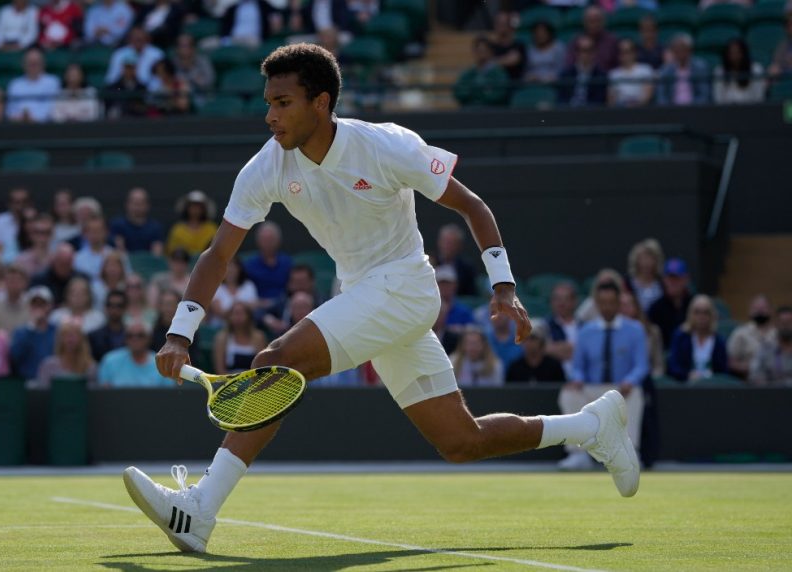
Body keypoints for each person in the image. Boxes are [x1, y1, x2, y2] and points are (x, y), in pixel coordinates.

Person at [126, 44, 640, 554]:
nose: (270, 116)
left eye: (283, 103)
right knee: (462, 441)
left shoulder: (386, 146)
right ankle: (591, 425)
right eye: (268, 102)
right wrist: (178, 332)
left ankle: (198, 509)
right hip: (366, 297)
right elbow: (218, 254)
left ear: (321, 103)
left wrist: (504, 286)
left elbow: (473, 206)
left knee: (275, 362)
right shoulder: (267, 166)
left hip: (406, 288)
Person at [560, 282, 647, 470]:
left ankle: (630, 454)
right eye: (603, 302)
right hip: (591, 390)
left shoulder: (635, 330)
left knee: (637, 393)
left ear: (618, 303)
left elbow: (641, 366)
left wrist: (630, 381)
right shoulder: (585, 332)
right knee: (569, 394)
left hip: (621, 390)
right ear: (597, 304)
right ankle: (578, 455)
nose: (607, 307)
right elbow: (577, 367)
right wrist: (577, 378)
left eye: (611, 302)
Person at [666, 295, 729, 382]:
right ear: (690, 314)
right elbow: (673, 367)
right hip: (686, 386)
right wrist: (687, 375)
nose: (701, 317)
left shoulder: (719, 341)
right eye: (697, 312)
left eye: (705, 313)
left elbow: (723, 371)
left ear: (712, 315)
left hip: (712, 387)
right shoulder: (681, 337)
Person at [98, 320, 167, 386]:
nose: (135, 339)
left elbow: (168, 394)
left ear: (149, 338)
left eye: (140, 335)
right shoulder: (109, 361)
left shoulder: (161, 363)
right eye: (130, 335)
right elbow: (104, 394)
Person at [9, 286, 57, 380]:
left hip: (51, 383)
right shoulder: (20, 332)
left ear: (50, 306)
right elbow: (15, 357)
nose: (38, 308)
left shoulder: (56, 331)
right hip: (26, 383)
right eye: (35, 304)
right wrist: (32, 327)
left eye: (42, 304)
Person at [36, 318, 98, 387]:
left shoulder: (90, 367)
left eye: (74, 335)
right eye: (66, 335)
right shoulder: (48, 365)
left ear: (81, 339)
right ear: (60, 340)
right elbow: (42, 393)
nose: (70, 340)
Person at [243, 221, 292, 307]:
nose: (268, 243)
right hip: (257, 307)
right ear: (258, 241)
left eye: (271, 239)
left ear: (278, 240)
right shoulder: (249, 265)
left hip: (283, 305)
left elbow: (291, 288)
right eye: (264, 240)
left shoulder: (287, 262)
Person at [727, 295, 776, 379]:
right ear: (750, 311)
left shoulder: (778, 334)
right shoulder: (740, 333)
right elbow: (730, 362)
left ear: (771, 310)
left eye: (763, 308)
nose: (760, 311)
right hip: (748, 382)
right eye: (756, 308)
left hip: (777, 382)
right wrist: (752, 367)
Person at [648, 257, 693, 349]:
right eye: (669, 278)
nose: (672, 282)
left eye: (676, 278)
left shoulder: (695, 305)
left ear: (686, 279)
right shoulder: (655, 308)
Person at [7, 48, 62, 123]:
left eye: (36, 63)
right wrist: (21, 117)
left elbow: (54, 108)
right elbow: (10, 110)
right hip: (19, 126)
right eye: (30, 63)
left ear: (43, 64)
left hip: (46, 127)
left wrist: (34, 119)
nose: (33, 66)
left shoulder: (52, 82)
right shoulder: (15, 84)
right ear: (23, 64)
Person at [619, 291, 665, 379]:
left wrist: (651, 378)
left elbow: (658, 365)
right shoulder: (609, 332)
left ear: (636, 307)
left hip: (646, 380)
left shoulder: (652, 332)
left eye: (627, 305)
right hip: (618, 382)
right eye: (620, 305)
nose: (623, 309)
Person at [453, 37, 510, 107]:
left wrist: (474, 92)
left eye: (484, 51)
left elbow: (500, 95)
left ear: (491, 52)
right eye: (479, 51)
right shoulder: (468, 73)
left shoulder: (499, 73)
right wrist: (483, 91)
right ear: (474, 52)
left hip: (492, 111)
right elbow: (458, 92)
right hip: (469, 111)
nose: (481, 54)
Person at [213, 301, 268, 374]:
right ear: (229, 317)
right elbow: (219, 369)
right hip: (229, 381)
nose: (238, 317)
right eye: (235, 314)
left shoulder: (258, 337)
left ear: (249, 316)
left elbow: (262, 366)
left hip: (253, 381)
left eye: (241, 314)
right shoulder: (222, 338)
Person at [656, 34, 711, 106]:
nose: (680, 52)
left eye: (683, 49)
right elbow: (661, 95)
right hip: (672, 111)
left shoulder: (700, 67)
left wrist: (693, 109)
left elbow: (704, 94)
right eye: (677, 49)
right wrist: (668, 110)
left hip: (695, 110)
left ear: (689, 50)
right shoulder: (666, 70)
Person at [109, 187, 165, 254]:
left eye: (141, 204)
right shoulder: (117, 225)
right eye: (135, 203)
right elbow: (118, 251)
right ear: (127, 204)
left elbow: (157, 254)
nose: (137, 207)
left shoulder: (155, 227)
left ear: (147, 206)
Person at [558, 36, 608, 107]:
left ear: (594, 52)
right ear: (576, 53)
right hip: (569, 113)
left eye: (589, 50)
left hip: (591, 114)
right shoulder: (566, 74)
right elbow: (561, 100)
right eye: (583, 50)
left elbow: (600, 101)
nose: (586, 54)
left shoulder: (601, 75)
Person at [713, 39, 766, 105]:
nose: (734, 56)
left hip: (751, 110)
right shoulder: (719, 71)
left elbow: (759, 98)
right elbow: (718, 99)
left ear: (744, 54)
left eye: (737, 52)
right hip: (726, 112)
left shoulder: (756, 70)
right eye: (731, 53)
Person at [166, 190, 218, 257]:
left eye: (199, 206)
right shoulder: (177, 229)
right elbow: (171, 252)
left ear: (204, 209)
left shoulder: (212, 229)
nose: (195, 209)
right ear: (186, 208)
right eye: (192, 206)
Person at [749, 306, 792, 386]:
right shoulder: (765, 349)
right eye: (782, 322)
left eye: (789, 322)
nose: (786, 326)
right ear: (776, 324)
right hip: (771, 395)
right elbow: (756, 377)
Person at [565, 6, 618, 71]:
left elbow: (618, 68)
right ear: (584, 22)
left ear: (603, 21)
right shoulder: (576, 40)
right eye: (590, 21)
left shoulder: (612, 41)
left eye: (597, 20)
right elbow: (569, 65)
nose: (594, 24)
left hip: (607, 79)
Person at [433, 224, 478, 298]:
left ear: (459, 245)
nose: (447, 246)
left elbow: (471, 295)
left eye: (451, 243)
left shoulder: (467, 268)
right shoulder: (428, 263)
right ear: (439, 242)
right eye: (445, 241)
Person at [608, 39, 654, 108]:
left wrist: (634, 107)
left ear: (634, 53)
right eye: (621, 52)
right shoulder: (614, 74)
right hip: (620, 112)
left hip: (642, 110)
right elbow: (611, 101)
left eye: (627, 51)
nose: (624, 55)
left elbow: (648, 95)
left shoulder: (645, 69)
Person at [210, 257, 258, 322]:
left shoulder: (248, 285)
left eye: (233, 268)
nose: (230, 271)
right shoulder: (215, 288)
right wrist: (238, 306)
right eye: (227, 268)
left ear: (239, 269)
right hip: (220, 328)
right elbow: (219, 312)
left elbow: (254, 307)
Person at [625, 238, 665, 313]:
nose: (646, 262)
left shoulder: (663, 284)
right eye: (642, 258)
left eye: (650, 258)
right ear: (636, 260)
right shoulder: (627, 283)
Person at [0, 188, 32, 260]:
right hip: (7, 263)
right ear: (9, 204)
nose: (20, 206)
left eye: (24, 202)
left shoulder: (35, 219)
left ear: (29, 203)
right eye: (16, 202)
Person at [89, 289, 129, 361]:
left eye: (119, 306)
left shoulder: (133, 336)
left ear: (125, 308)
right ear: (106, 307)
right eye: (111, 305)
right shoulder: (94, 337)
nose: (114, 309)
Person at [489, 11, 526, 82]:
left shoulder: (519, 45)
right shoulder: (491, 47)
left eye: (503, 24)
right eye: (498, 24)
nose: (500, 27)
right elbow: (487, 65)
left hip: (514, 84)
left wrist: (494, 61)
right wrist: (504, 60)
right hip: (495, 85)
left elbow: (514, 60)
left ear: (510, 26)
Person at [0, 262, 32, 332]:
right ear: (4, 282)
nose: (14, 284)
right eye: (11, 280)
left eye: (18, 280)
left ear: (25, 283)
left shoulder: (32, 305)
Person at [767, 13, 792, 80]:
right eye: (789, 25)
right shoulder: (783, 46)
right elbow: (777, 63)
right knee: (773, 69)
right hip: (786, 75)